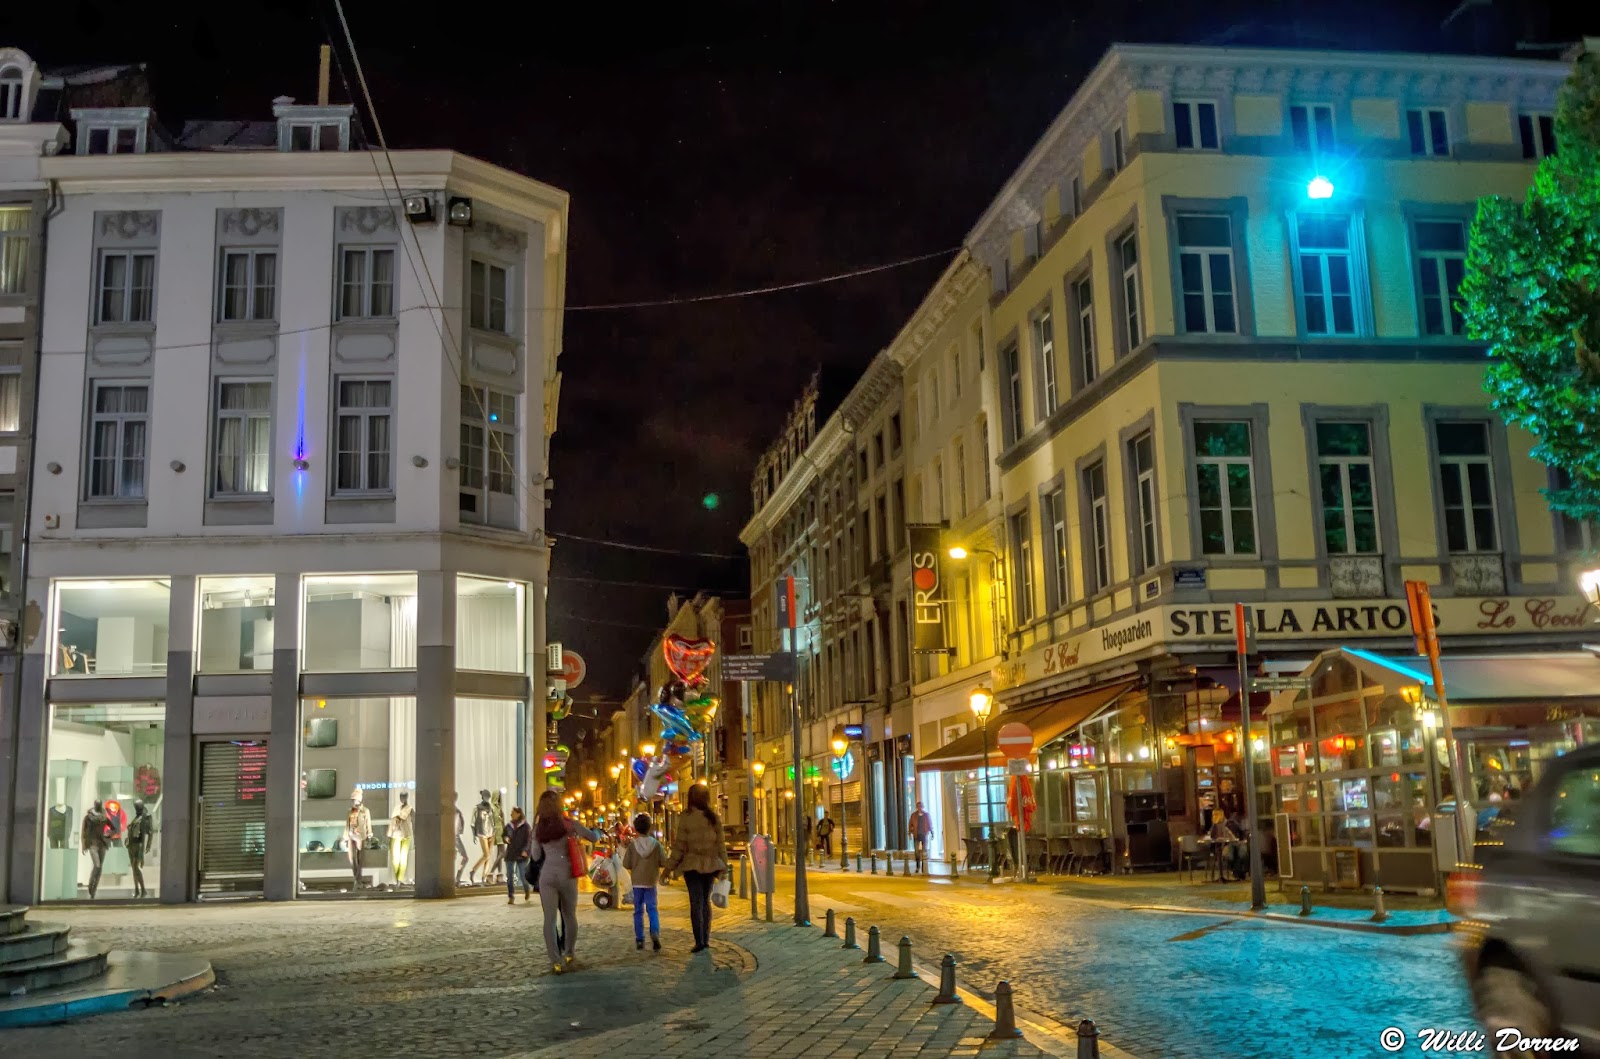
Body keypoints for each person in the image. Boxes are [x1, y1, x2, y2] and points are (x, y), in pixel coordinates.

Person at [534, 789, 598, 973]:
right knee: (569, 915)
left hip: (547, 874)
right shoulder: (569, 824)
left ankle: (555, 960)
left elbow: (536, 855)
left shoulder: (538, 829)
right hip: (567, 874)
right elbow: (593, 837)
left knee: (549, 919)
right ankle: (569, 953)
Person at [668, 784, 728, 953]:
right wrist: (724, 866)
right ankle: (705, 938)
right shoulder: (713, 818)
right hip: (710, 866)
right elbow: (721, 845)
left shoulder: (686, 818)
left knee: (696, 902)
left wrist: (669, 867)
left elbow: (680, 846)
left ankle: (699, 940)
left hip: (691, 866)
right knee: (705, 902)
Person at [622, 812, 664, 951]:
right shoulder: (656, 845)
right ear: (649, 827)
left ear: (636, 828)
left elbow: (626, 863)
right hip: (651, 882)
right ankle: (654, 932)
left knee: (638, 911)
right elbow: (664, 861)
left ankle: (640, 939)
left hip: (637, 883)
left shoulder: (633, 845)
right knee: (652, 909)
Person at [503, 806, 534, 905]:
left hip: (521, 854)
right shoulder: (509, 826)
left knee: (523, 875)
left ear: (518, 814)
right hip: (510, 853)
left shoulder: (525, 826)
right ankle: (511, 896)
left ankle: (527, 889)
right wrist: (505, 838)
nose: (511, 814)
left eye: (513, 813)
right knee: (509, 876)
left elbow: (529, 840)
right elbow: (504, 835)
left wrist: (525, 850)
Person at [908, 801, 933, 873]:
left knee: (924, 851)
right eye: (918, 806)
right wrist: (910, 833)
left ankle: (923, 866)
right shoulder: (913, 815)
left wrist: (931, 832)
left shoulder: (926, 815)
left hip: (924, 835)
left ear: (922, 807)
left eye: (921, 806)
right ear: (917, 807)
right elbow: (910, 824)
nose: (919, 808)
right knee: (916, 851)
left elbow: (929, 824)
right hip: (916, 835)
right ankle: (917, 866)